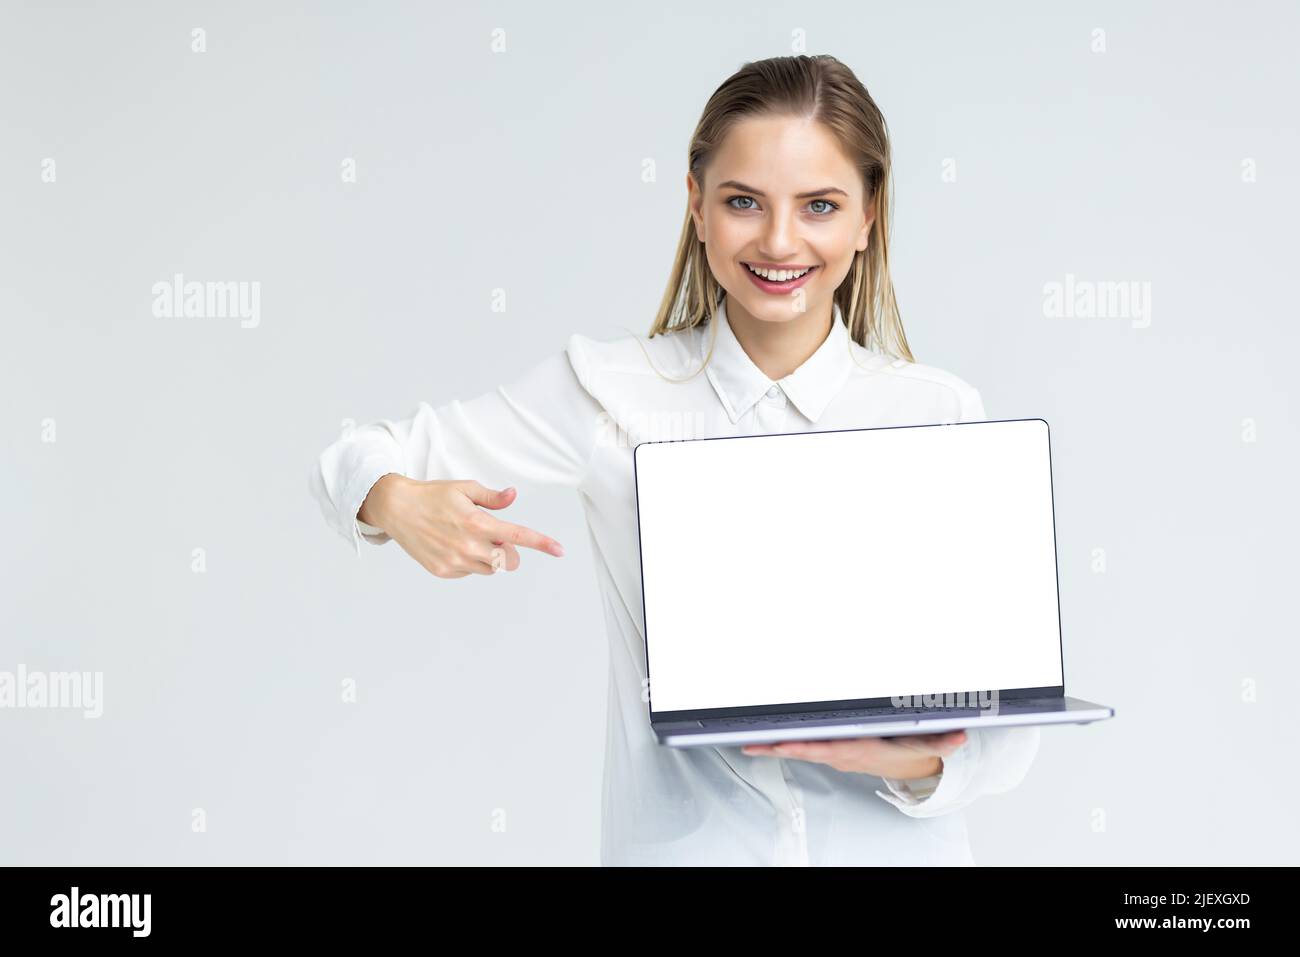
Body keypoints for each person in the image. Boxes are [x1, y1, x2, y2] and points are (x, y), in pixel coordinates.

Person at [309, 53, 1039, 866]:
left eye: (820, 206)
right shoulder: (613, 392)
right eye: (743, 202)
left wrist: (896, 758)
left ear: (867, 218)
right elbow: (351, 454)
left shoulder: (936, 412)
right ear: (696, 206)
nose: (779, 240)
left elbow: (1008, 731)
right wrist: (394, 499)